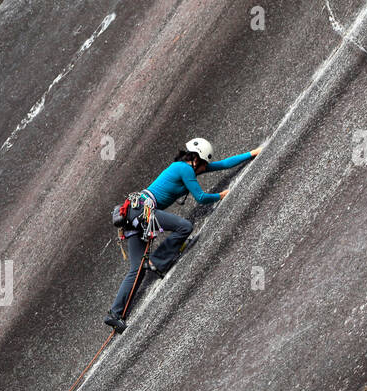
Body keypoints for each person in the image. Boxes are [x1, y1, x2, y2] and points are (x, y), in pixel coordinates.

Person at [104, 138, 261, 333]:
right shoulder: (185, 169)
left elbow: (222, 164)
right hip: (142, 211)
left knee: (136, 270)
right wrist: (221, 196)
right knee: (184, 227)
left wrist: (251, 154)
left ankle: (114, 314)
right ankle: (157, 262)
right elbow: (201, 198)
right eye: (204, 164)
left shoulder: (188, 168)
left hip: (133, 214)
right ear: (196, 159)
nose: (205, 168)